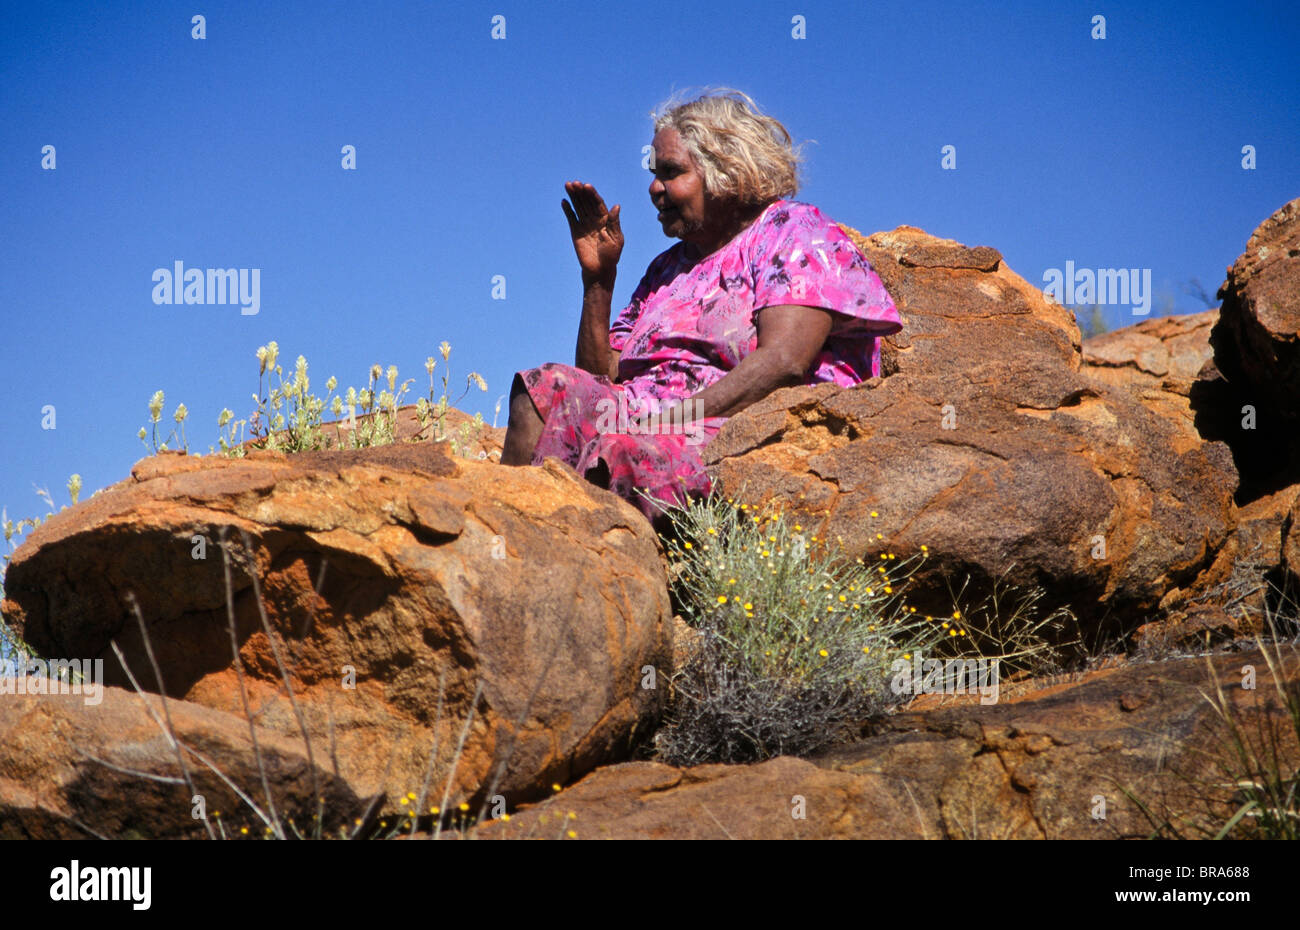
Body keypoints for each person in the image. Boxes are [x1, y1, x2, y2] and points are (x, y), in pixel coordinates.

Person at [501, 88, 902, 529]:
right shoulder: (667, 268)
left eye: (671, 172)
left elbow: (784, 361)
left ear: (725, 171)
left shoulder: (793, 230)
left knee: (621, 451)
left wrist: (667, 421)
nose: (654, 188)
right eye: (655, 174)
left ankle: (596, 557)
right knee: (544, 389)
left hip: (729, 427)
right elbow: (602, 377)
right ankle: (513, 536)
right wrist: (599, 281)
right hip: (643, 418)